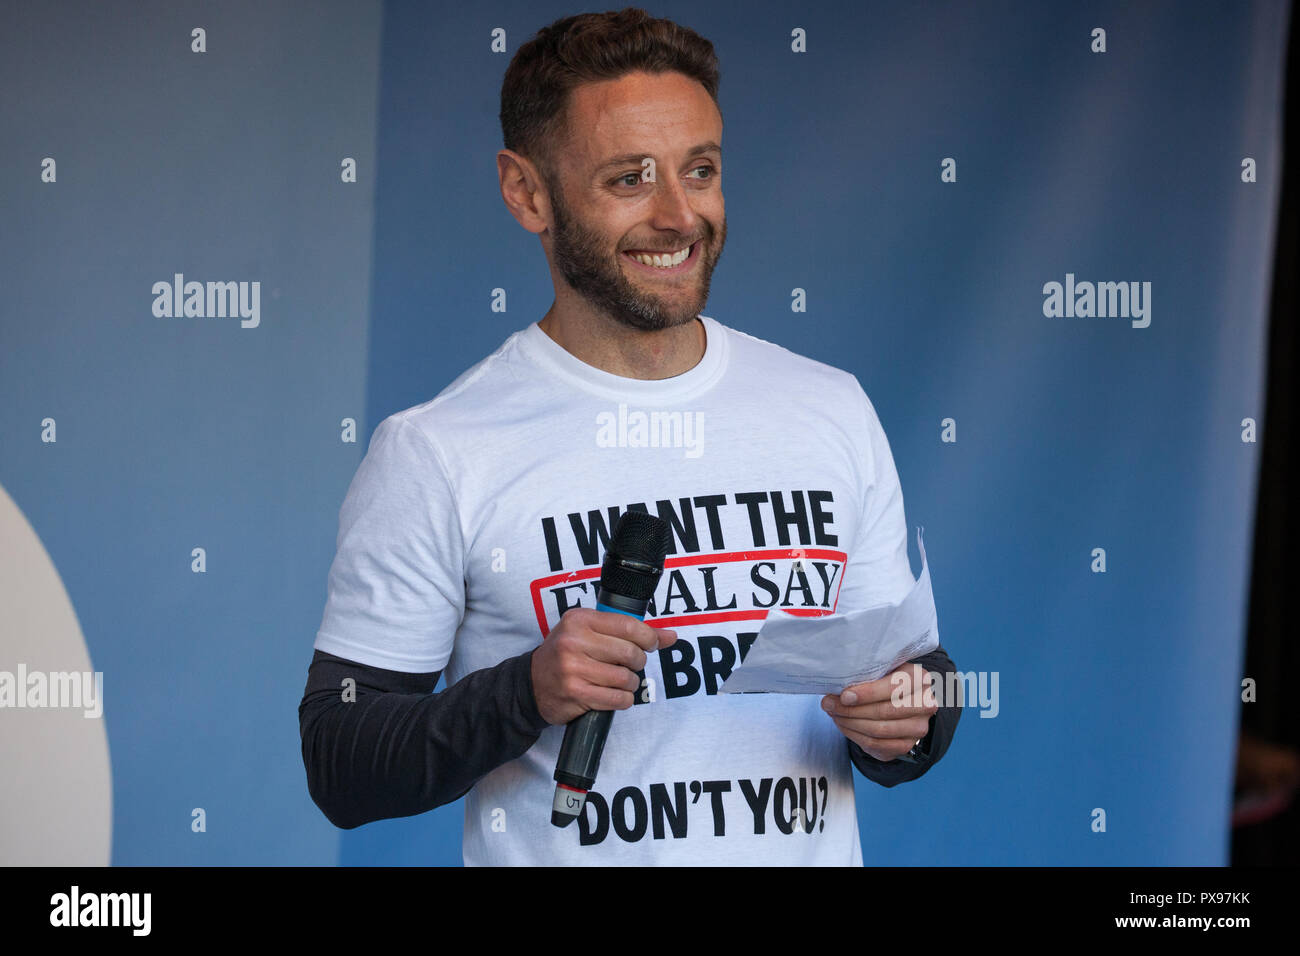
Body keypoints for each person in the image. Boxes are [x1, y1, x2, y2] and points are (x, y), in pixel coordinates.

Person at [299, 7, 961, 865]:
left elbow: (918, 680)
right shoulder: (437, 450)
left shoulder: (829, 408)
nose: (679, 216)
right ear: (526, 192)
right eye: (629, 180)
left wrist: (910, 717)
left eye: (701, 170)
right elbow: (341, 759)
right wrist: (527, 690)